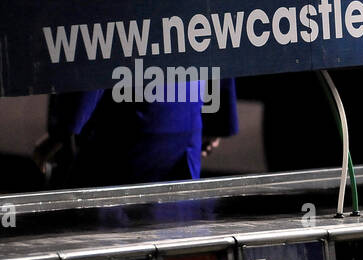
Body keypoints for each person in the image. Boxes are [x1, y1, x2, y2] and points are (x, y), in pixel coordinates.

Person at [34, 78, 238, 187]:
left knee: (97, 233)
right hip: (185, 121)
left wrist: (62, 131)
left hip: (124, 128)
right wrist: (217, 121)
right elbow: (216, 24)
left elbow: (96, 49)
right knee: (176, 231)